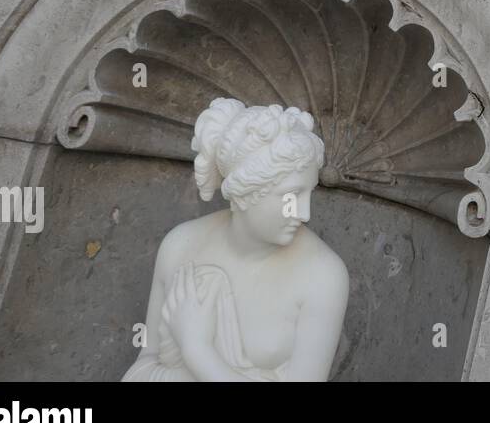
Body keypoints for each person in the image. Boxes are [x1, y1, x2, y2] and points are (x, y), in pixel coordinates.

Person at [123, 98, 349, 381]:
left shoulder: (323, 276)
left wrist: (197, 350)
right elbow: (144, 365)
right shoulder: (180, 245)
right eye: (291, 196)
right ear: (245, 191)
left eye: (309, 193)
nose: (304, 213)